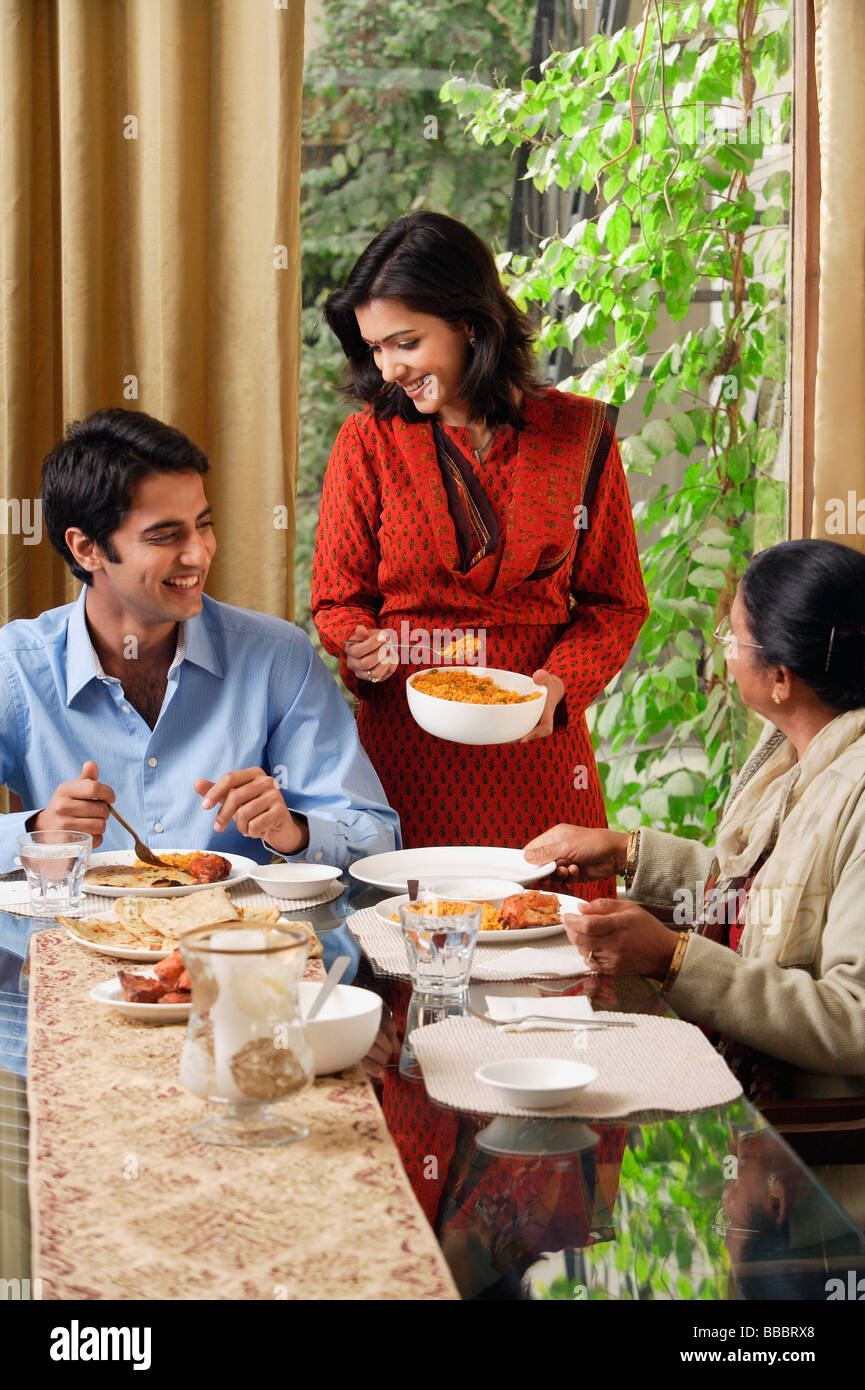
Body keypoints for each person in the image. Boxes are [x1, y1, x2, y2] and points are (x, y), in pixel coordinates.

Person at [312, 211, 647, 893]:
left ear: (470, 321)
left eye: (406, 342)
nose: (388, 367)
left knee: (549, 942)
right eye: (375, 348)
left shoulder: (579, 433)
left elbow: (615, 604)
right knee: (409, 942)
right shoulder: (366, 442)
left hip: (537, 747)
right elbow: (338, 599)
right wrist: (358, 646)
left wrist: (559, 687)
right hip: (407, 744)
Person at [524, 539, 865, 1112]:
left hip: (809, 1140)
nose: (725, 652)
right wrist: (628, 854)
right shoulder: (791, 754)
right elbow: (764, 897)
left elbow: (854, 1022)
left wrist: (672, 958)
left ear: (780, 676)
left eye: (733, 637)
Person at [0, 408, 399, 870]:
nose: (199, 554)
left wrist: (292, 831)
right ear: (87, 549)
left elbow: (378, 840)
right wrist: (35, 831)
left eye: (203, 525)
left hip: (230, 938)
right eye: (166, 536)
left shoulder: (277, 656)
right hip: (67, 940)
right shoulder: (16, 666)